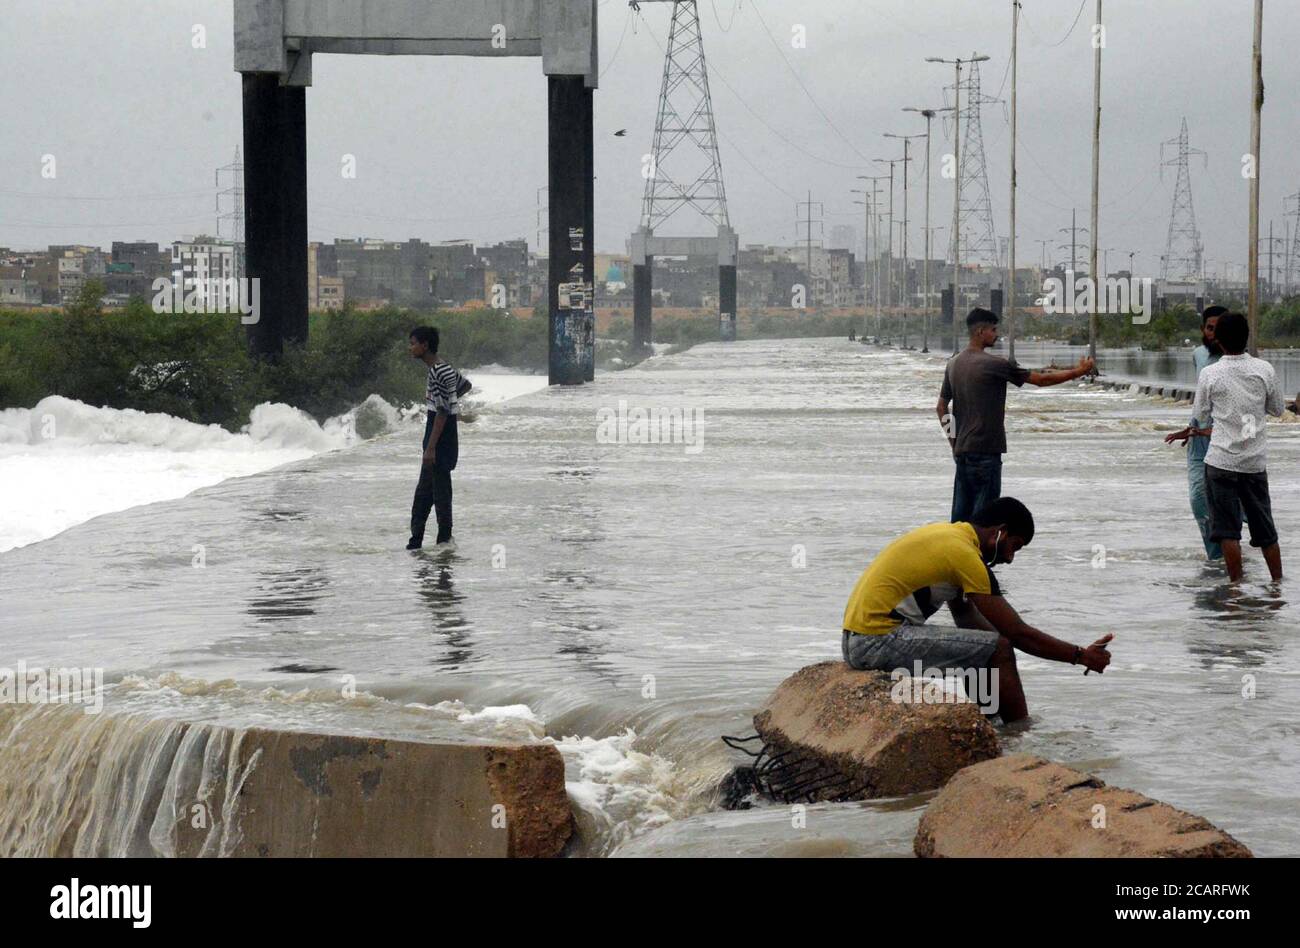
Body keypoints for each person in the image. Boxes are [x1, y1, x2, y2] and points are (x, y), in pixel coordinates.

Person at [840, 497, 1113, 723]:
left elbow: (966, 618)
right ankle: (1020, 737)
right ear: (1000, 532)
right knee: (998, 649)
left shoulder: (951, 538)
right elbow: (1018, 633)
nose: (1009, 558)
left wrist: (1000, 647)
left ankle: (988, 724)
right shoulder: (965, 555)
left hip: (857, 639)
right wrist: (1080, 656)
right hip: (875, 641)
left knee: (990, 648)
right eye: (1014, 546)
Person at [937, 308, 1095, 523]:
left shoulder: (953, 364)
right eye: (993, 330)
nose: (996, 334)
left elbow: (941, 407)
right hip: (987, 453)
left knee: (959, 524)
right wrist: (1078, 372)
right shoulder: (996, 364)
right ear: (981, 331)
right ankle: (978, 557)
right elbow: (1040, 380)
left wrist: (953, 441)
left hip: (963, 453)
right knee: (984, 525)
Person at [1185, 311, 1284, 581]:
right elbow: (1277, 409)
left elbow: (1201, 415)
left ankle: (1235, 589)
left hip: (1220, 463)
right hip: (1254, 464)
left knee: (1227, 532)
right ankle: (1277, 586)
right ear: (1247, 337)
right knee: (1265, 531)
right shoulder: (1265, 369)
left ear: (1218, 340)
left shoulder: (1209, 374)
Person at [1163, 305, 1227, 559]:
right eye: (1210, 328)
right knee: (1198, 499)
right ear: (1203, 330)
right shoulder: (1198, 355)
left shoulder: (1237, 359)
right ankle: (1216, 560)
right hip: (1198, 437)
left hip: (1227, 438)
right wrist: (1191, 429)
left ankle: (1231, 554)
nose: (1214, 334)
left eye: (1220, 328)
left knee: (1232, 503)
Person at [407, 326, 461, 550]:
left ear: (425, 345)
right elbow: (464, 385)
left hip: (439, 439)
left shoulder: (436, 372)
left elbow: (441, 411)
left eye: (413, 343)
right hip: (445, 436)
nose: (410, 348)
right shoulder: (445, 368)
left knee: (440, 495)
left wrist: (430, 449)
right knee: (424, 494)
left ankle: (444, 545)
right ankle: (417, 544)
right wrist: (452, 402)